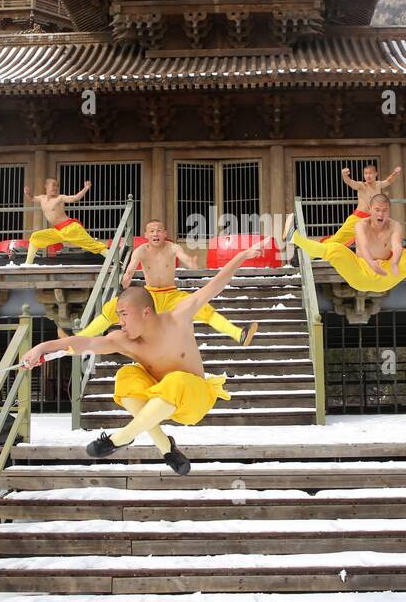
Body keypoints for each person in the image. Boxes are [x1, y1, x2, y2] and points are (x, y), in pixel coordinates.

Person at [21, 241, 267, 475]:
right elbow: (86, 342)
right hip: (158, 398)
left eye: (125, 314)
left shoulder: (178, 317)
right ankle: (166, 448)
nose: (120, 321)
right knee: (126, 375)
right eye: (118, 315)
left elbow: (215, 285)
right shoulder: (123, 339)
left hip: (192, 400)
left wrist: (243, 256)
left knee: (177, 380)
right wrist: (43, 348)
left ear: (146, 312)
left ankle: (122, 437)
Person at [77, 219, 258, 345]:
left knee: (203, 309)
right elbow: (131, 267)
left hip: (172, 295)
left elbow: (185, 258)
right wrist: (127, 277)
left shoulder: (173, 247)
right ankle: (81, 337)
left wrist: (192, 263)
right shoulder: (141, 250)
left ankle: (237, 334)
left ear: (165, 233)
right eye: (152, 231)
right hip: (149, 297)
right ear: (146, 234)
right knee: (112, 308)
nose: (156, 234)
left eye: (159, 231)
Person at [283, 194, 406, 294]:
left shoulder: (395, 225)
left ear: (389, 211)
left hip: (386, 274)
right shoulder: (361, 224)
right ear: (370, 210)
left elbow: (396, 245)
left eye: (385, 211)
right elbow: (362, 246)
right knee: (335, 250)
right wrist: (372, 264)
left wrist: (394, 264)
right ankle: (295, 237)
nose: (381, 215)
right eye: (377, 210)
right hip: (361, 272)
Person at [22, 178, 109, 263]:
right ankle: (28, 263)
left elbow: (75, 198)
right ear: (46, 186)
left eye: (57, 186)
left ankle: (116, 260)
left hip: (71, 228)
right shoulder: (42, 198)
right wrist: (28, 193)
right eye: (53, 185)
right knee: (35, 237)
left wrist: (85, 188)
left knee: (93, 245)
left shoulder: (60, 198)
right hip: (58, 231)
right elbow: (32, 198)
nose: (55, 188)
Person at [326, 164, 403, 246]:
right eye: (365, 173)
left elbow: (389, 181)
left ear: (375, 174)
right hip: (358, 218)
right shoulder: (361, 185)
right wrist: (344, 175)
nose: (368, 176)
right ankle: (324, 248)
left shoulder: (378, 184)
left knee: (380, 237)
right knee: (339, 237)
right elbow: (350, 182)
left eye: (370, 173)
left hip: (372, 218)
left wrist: (395, 173)